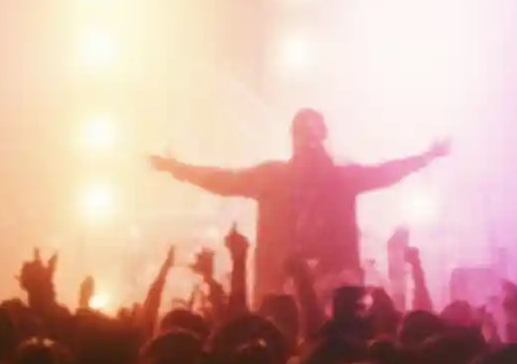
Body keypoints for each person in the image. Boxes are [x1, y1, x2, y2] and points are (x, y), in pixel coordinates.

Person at [150, 108, 449, 300]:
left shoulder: (335, 178)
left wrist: (425, 158)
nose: (310, 143)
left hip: (331, 284)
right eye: (305, 136)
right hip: (280, 286)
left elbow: (385, 173)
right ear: (294, 139)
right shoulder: (276, 177)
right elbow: (222, 179)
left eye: (314, 136)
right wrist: (178, 169)